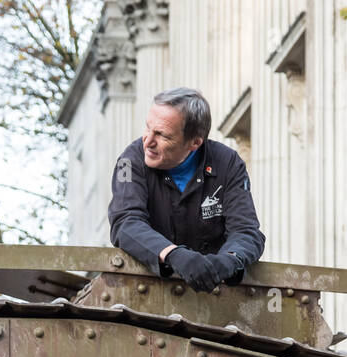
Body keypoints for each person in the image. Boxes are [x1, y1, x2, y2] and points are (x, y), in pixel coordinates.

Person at [108, 88, 265, 293]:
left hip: (216, 293)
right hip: (148, 291)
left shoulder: (228, 164)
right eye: (148, 128)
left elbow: (246, 231)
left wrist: (229, 261)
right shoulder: (129, 161)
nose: (148, 142)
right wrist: (173, 255)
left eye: (162, 135)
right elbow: (125, 222)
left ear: (195, 142)